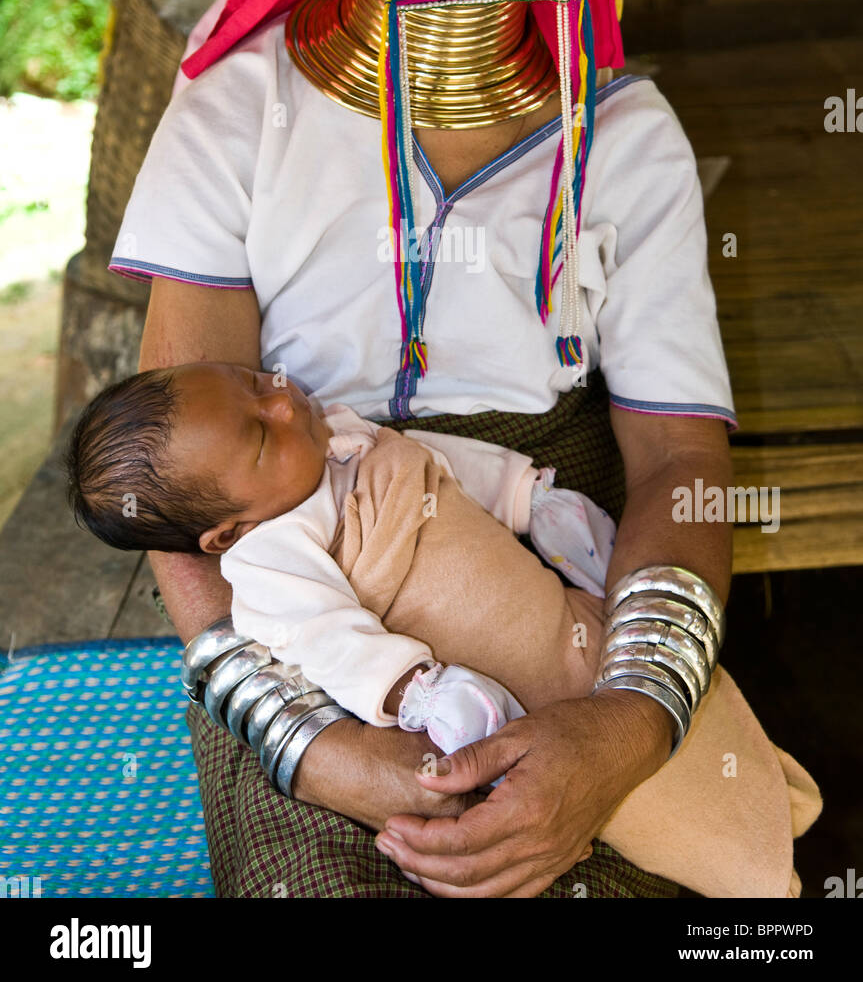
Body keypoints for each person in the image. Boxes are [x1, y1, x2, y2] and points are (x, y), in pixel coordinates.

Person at [107, 0, 821, 898]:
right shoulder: (237, 112)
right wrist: (313, 746)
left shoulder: (627, 138)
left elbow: (675, 461)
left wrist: (628, 718)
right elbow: (184, 478)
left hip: (559, 566)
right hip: (306, 607)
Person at [67, 359, 817, 898]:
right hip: (500, 686)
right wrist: (416, 693)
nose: (284, 403)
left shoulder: (344, 438)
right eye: (261, 435)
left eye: (258, 382)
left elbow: (445, 467)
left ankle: (758, 794)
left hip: (558, 615)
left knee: (670, 710)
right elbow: (324, 640)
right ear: (225, 533)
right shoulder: (270, 561)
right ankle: (749, 873)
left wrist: (529, 497)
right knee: (630, 798)